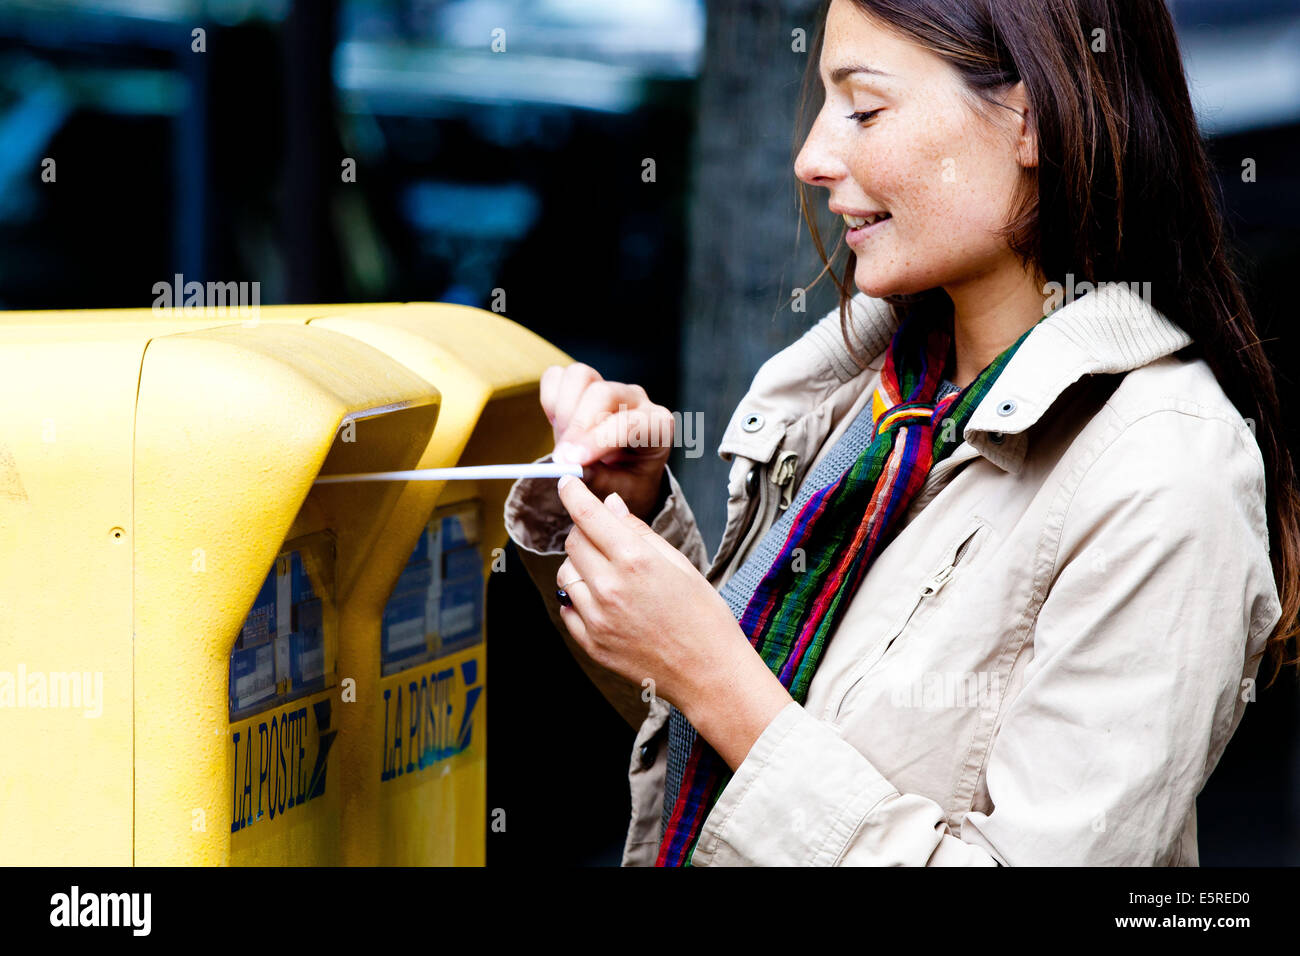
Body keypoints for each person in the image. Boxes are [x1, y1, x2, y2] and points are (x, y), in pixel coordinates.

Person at [503, 0, 1298, 866]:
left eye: (865, 108)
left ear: (1030, 120)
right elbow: (725, 746)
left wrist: (711, 673)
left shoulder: (1164, 466)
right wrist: (629, 512)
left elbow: (740, 713)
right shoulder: (877, 399)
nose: (812, 157)